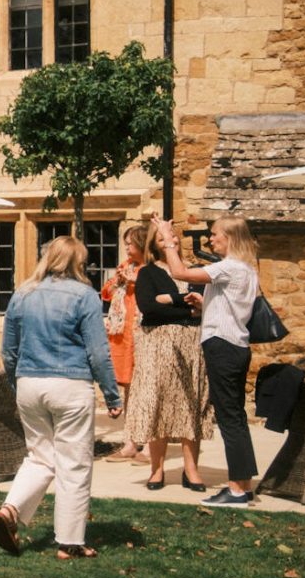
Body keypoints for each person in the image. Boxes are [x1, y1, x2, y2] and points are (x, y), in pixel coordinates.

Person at [0, 237, 120, 560]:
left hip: (30, 381)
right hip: (70, 383)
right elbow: (98, 352)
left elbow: (8, 350)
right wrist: (112, 394)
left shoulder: (23, 293)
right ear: (78, 263)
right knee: (73, 462)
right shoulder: (85, 296)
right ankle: (70, 543)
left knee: (39, 456)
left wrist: (18, 382)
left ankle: (10, 510)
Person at [152, 214, 261, 508]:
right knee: (235, 416)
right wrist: (204, 304)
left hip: (223, 347)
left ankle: (236, 490)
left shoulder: (229, 267)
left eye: (215, 234)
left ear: (231, 238)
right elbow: (232, 308)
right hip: (236, 345)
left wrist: (168, 238)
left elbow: (180, 273)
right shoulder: (247, 271)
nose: (211, 239)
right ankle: (244, 485)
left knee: (229, 419)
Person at [126, 226, 210, 493]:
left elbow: (208, 305)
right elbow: (149, 308)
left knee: (190, 404)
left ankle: (191, 469)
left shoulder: (195, 271)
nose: (167, 240)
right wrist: (186, 307)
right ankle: (157, 468)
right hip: (158, 344)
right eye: (161, 237)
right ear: (154, 243)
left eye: (171, 235)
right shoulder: (149, 272)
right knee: (158, 402)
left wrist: (172, 302)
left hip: (191, 344)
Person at [99, 225, 149, 463]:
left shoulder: (153, 269)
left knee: (147, 390)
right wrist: (118, 281)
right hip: (123, 334)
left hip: (143, 333)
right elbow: (106, 293)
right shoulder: (125, 267)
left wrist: (137, 282)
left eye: (130, 243)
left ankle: (148, 444)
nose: (127, 247)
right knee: (130, 389)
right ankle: (130, 442)